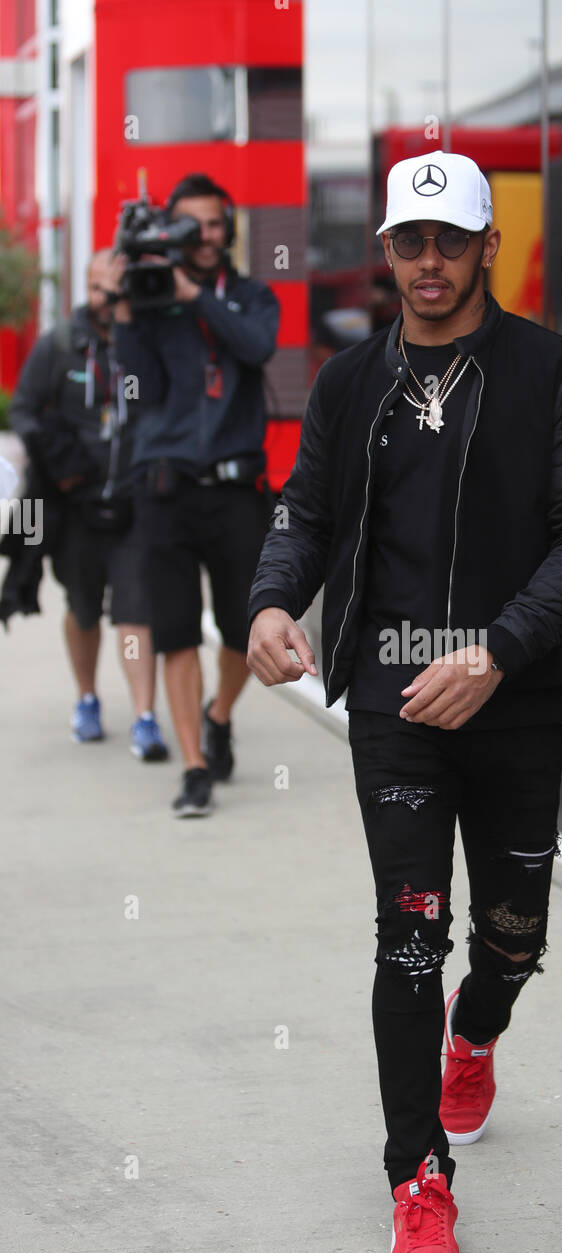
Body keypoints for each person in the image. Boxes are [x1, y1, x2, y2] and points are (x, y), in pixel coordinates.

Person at [247, 151, 562, 1253]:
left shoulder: (554, 373)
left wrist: (498, 651)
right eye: (407, 242)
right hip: (391, 706)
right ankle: (417, 1179)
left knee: (510, 933)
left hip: (513, 700)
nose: (425, 262)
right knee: (408, 936)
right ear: (387, 251)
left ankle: (480, 1028)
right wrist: (270, 596)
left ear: (484, 247)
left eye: (446, 241)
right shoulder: (345, 381)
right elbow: (304, 512)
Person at [109, 173, 280, 816]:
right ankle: (195, 766)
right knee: (175, 632)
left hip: (237, 490)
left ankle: (219, 712)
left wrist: (195, 296)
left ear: (228, 228)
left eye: (213, 224)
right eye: (189, 225)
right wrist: (128, 317)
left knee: (245, 629)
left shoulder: (252, 295)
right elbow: (142, 392)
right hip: (164, 491)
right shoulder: (151, 302)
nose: (203, 236)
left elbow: (256, 346)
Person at [6, 249, 167, 758]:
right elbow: (26, 410)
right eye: (99, 288)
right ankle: (87, 699)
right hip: (74, 505)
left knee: (136, 609)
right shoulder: (59, 344)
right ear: (85, 287)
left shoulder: (143, 342)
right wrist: (61, 462)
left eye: (116, 290)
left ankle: (144, 715)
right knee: (81, 609)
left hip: (133, 502)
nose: (107, 299)